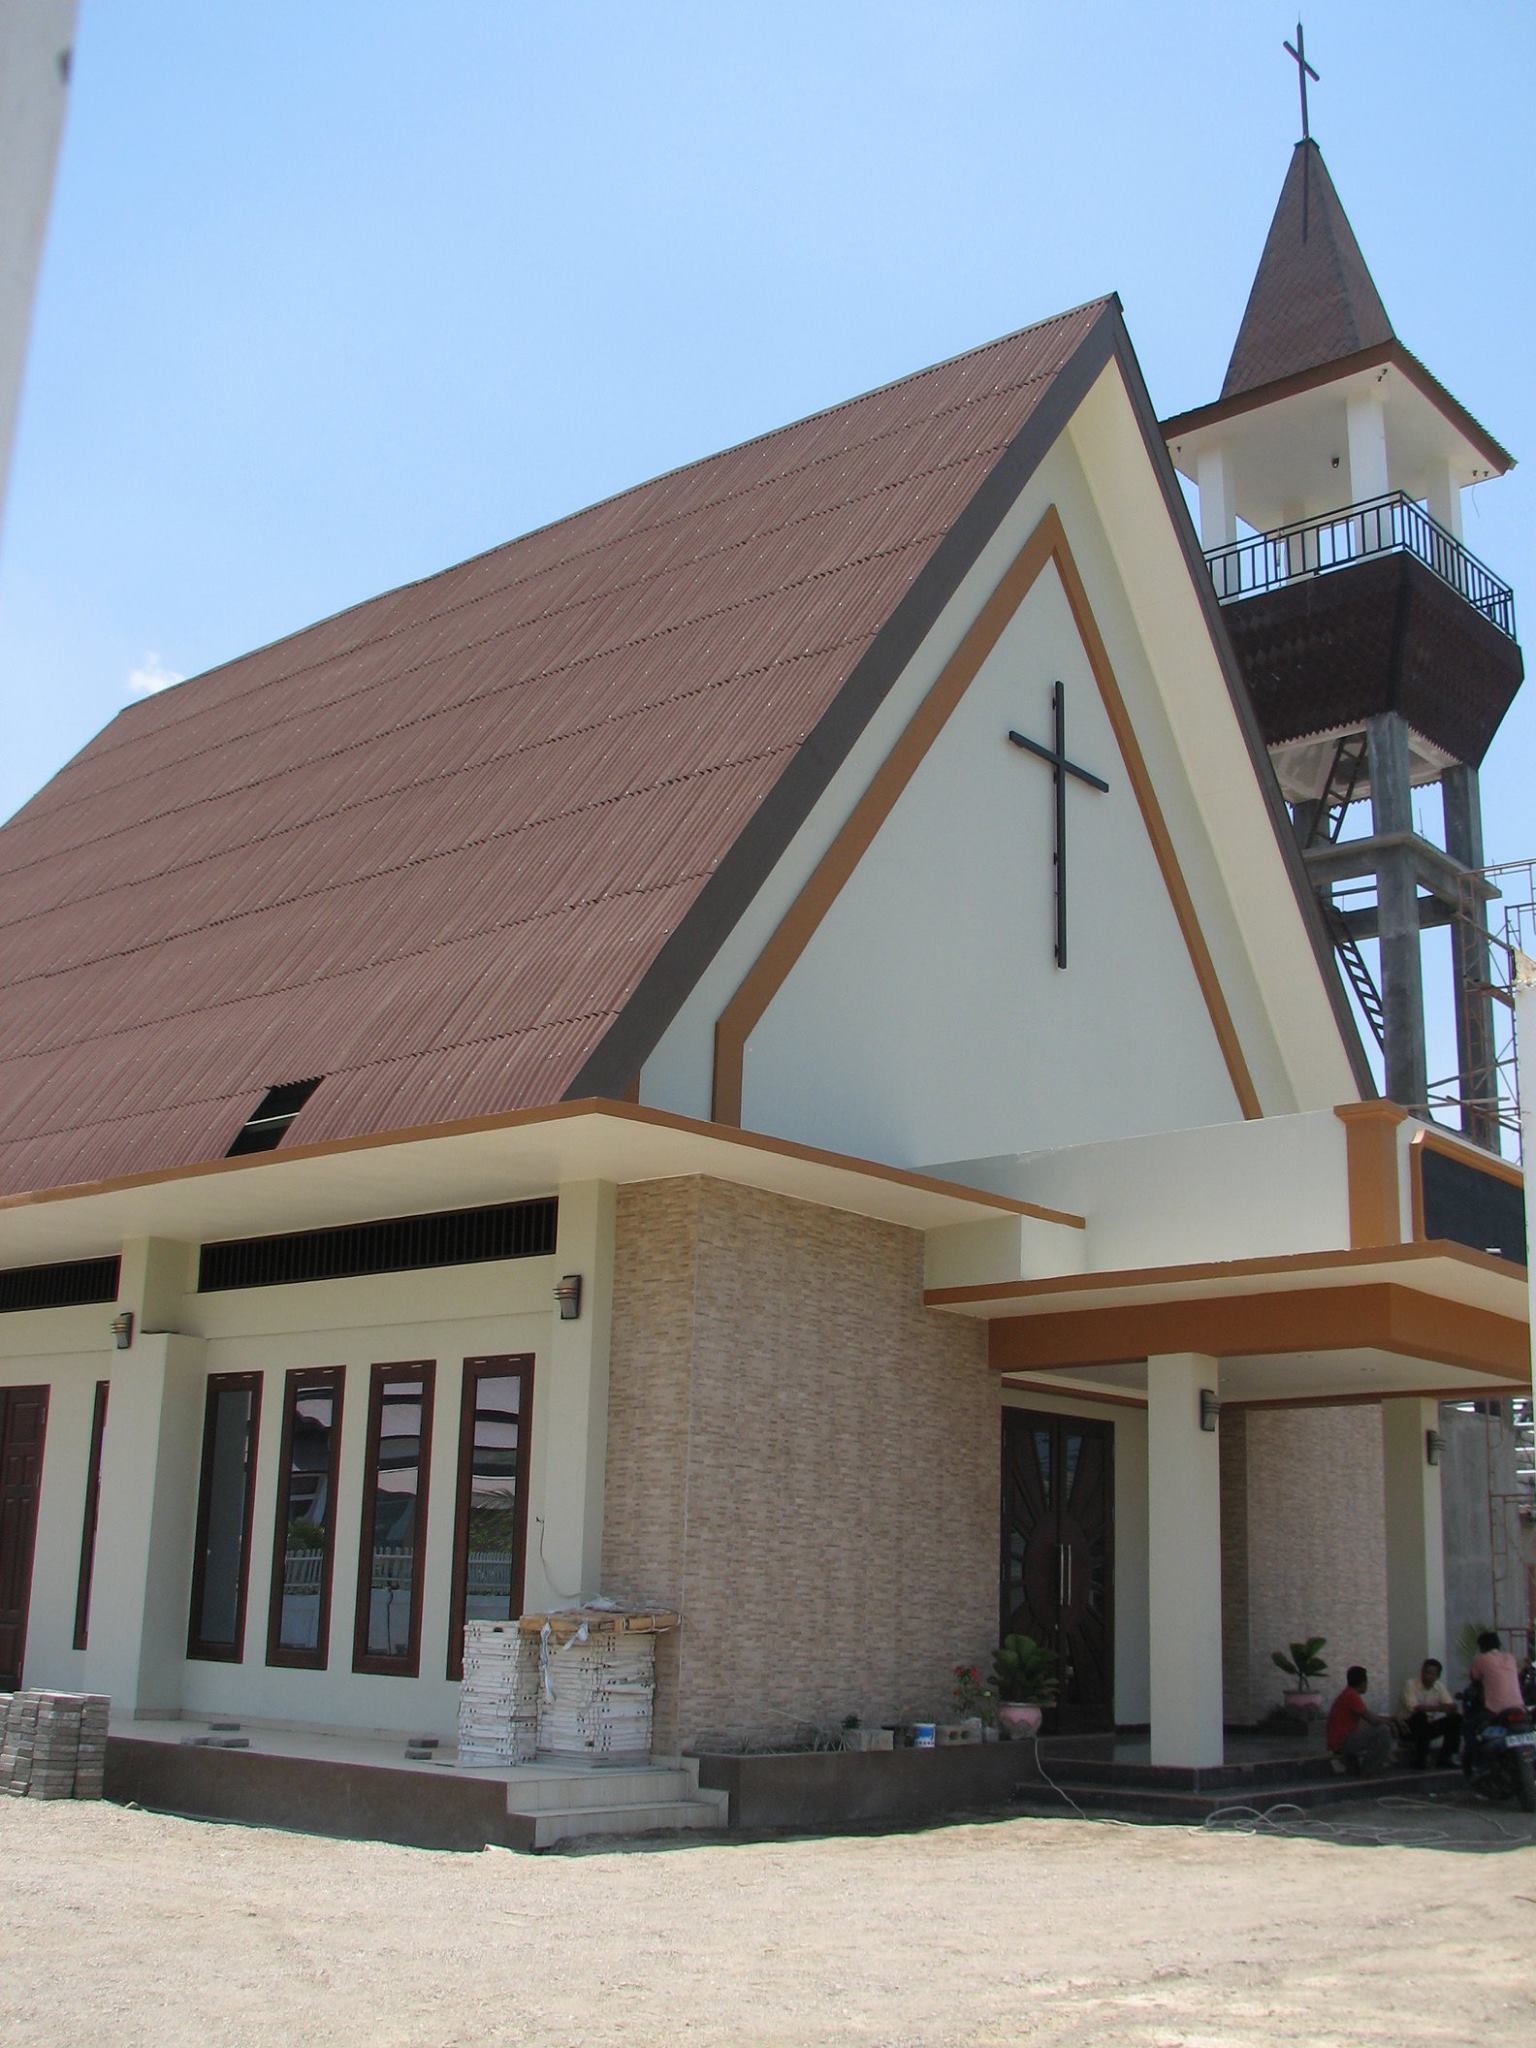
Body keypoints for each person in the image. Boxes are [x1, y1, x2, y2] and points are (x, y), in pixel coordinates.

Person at [1325, 1665, 1393, 1776]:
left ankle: (1376, 1764)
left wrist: (1392, 1719)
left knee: (1381, 1729)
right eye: (1366, 1682)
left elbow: (1369, 1716)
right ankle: (1369, 1770)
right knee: (1383, 1731)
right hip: (1342, 1743)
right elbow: (1372, 1720)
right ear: (1362, 1682)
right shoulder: (1351, 1695)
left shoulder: (1348, 1693)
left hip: (1343, 1739)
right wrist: (1392, 1723)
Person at [1398, 1658, 1461, 1768]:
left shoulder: (1439, 1687)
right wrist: (1439, 1708)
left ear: (1437, 1676)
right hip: (1409, 1726)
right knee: (1420, 1716)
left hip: (1428, 1726)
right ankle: (1421, 1759)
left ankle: (1446, 1757)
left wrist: (1448, 1708)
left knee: (1456, 1718)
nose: (1427, 1676)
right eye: (1425, 1672)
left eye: (1431, 1674)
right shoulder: (1410, 1684)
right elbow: (1415, 1708)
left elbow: (1450, 1706)